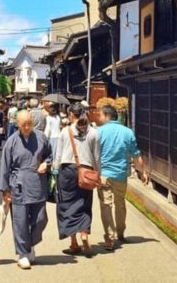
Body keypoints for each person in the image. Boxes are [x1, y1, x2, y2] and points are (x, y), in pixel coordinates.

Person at [0, 110, 52, 270]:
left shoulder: (41, 137)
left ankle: (30, 244)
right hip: (18, 185)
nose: (27, 127)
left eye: (29, 124)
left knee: (41, 219)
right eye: (24, 125)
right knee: (20, 222)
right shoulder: (11, 141)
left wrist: (46, 163)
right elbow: (4, 167)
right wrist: (5, 190)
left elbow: (49, 155)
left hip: (37, 183)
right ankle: (23, 253)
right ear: (18, 124)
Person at [96, 105, 149, 251]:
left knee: (106, 205)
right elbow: (136, 154)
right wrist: (143, 172)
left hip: (104, 174)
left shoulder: (99, 132)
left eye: (100, 115)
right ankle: (120, 232)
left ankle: (110, 237)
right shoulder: (127, 132)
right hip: (121, 174)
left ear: (107, 115)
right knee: (120, 204)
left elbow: (94, 153)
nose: (99, 117)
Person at [53, 103, 100, 256]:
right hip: (86, 171)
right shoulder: (93, 132)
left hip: (67, 170)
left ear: (72, 115)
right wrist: (98, 174)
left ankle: (73, 242)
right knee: (84, 203)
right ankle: (84, 233)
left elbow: (58, 155)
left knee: (67, 205)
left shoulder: (65, 131)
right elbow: (96, 156)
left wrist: (55, 171)